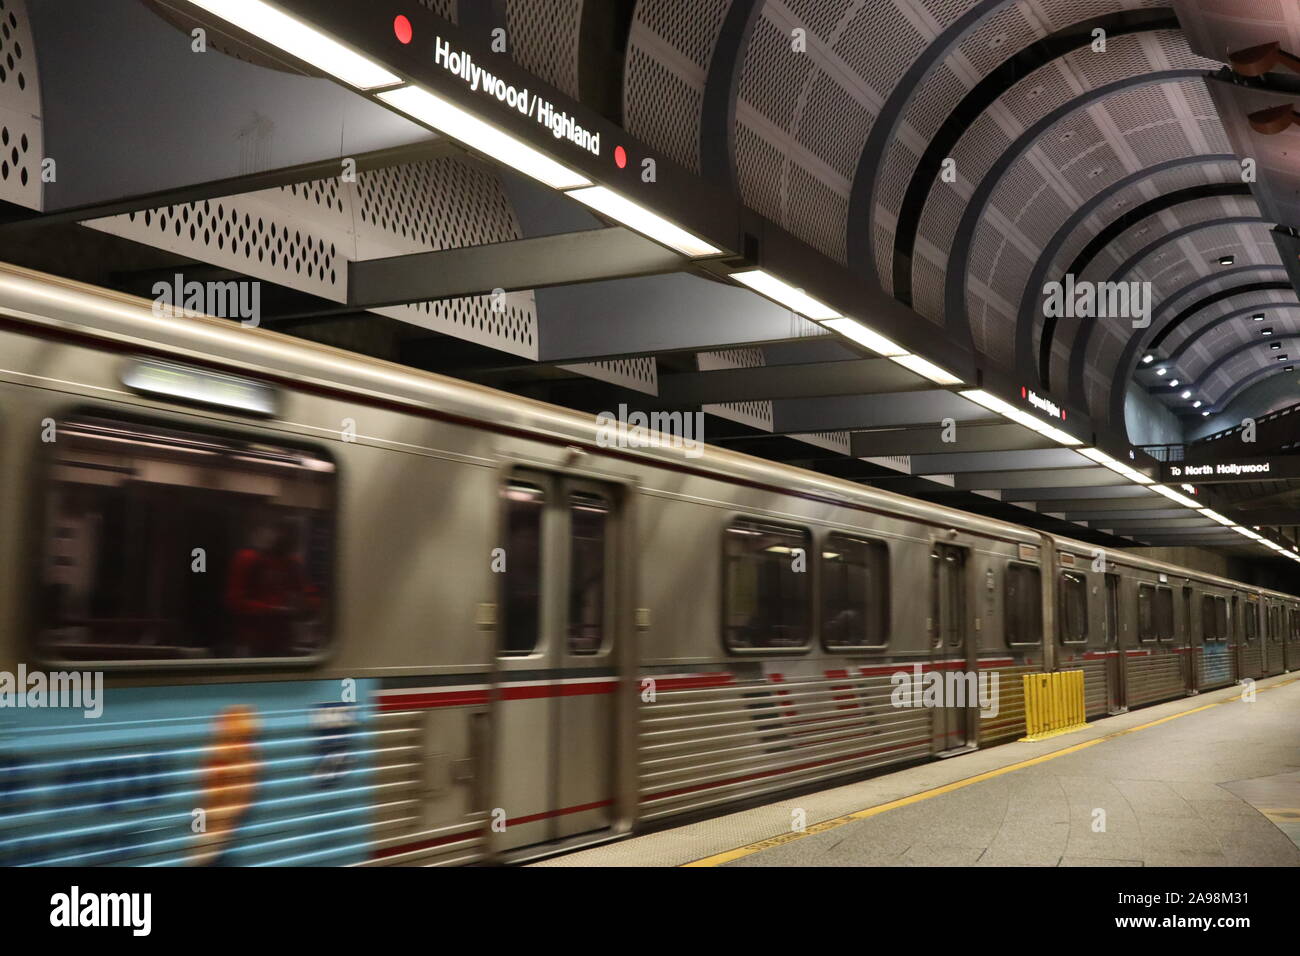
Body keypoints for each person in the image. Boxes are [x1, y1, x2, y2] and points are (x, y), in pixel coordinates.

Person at [225, 517, 320, 656]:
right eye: (284, 534)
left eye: (293, 537)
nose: (288, 542)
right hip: (250, 638)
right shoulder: (248, 558)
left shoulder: (292, 563)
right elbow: (234, 600)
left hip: (282, 639)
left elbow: (309, 594)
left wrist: (306, 606)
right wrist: (271, 609)